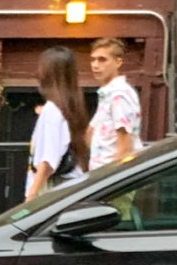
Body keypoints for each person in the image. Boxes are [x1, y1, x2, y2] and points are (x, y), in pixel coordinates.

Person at [25, 45, 90, 202]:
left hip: (52, 189)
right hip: (71, 185)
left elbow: (48, 160)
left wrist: (31, 195)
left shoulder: (52, 110)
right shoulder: (72, 107)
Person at [87, 37, 144, 170]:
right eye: (93, 59)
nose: (95, 65)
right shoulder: (108, 93)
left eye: (102, 59)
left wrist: (114, 176)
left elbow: (125, 144)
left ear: (118, 62)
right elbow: (90, 133)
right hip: (100, 171)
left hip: (110, 173)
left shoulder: (119, 95)